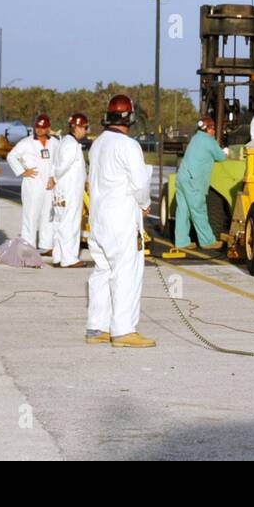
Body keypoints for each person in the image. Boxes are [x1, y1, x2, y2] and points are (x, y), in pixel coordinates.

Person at [86, 94, 155, 347]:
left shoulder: (99, 144)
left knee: (102, 271)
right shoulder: (128, 146)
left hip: (99, 219)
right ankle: (124, 331)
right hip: (121, 220)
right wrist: (145, 205)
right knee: (126, 272)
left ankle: (96, 327)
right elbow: (140, 184)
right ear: (131, 117)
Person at [172, 115, 226, 253]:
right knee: (198, 210)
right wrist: (226, 150)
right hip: (193, 181)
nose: (214, 131)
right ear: (208, 129)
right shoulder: (209, 141)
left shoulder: (195, 138)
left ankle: (181, 241)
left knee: (183, 210)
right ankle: (208, 241)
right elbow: (221, 157)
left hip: (182, 177)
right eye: (213, 128)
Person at [7, 114, 59, 253]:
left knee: (48, 215)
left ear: (48, 128)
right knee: (31, 215)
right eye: (37, 127)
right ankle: (28, 246)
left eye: (42, 128)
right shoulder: (26, 142)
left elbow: (58, 161)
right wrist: (22, 171)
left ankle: (46, 245)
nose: (39, 130)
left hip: (49, 184)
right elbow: (11, 156)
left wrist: (54, 177)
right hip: (33, 184)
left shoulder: (54, 142)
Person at [49, 113, 89, 267]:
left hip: (63, 191)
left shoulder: (65, 142)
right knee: (70, 223)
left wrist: (54, 178)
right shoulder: (70, 145)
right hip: (69, 191)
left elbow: (56, 166)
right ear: (77, 127)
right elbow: (62, 166)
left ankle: (58, 256)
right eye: (85, 127)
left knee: (60, 223)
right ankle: (69, 258)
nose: (85, 131)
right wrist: (54, 178)